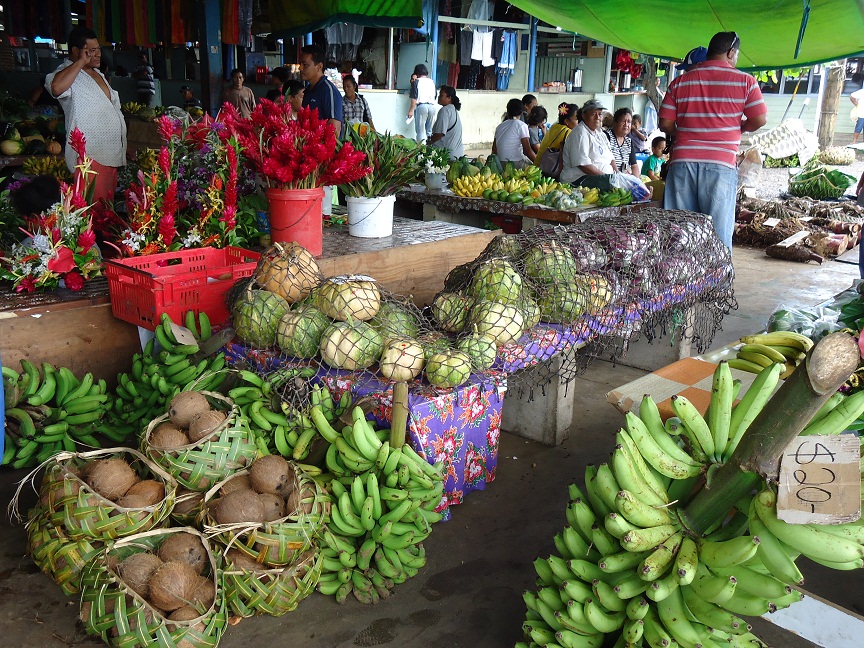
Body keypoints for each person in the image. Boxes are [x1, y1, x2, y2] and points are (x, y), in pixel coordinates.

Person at [659, 32, 767, 249]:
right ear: (731, 52)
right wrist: (741, 127)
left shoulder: (680, 82)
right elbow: (759, 119)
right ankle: (716, 282)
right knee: (717, 235)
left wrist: (685, 134)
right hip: (720, 164)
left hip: (682, 163)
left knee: (679, 232)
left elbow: (665, 123)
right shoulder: (745, 81)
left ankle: (678, 281)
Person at [46, 26, 126, 204]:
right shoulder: (65, 74)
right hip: (91, 156)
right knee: (93, 211)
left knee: (107, 211)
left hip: (111, 154)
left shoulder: (98, 74)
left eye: (98, 49)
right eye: (91, 51)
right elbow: (56, 88)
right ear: (76, 51)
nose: (97, 54)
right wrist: (81, 62)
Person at [559, 99, 617, 189]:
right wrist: (606, 178)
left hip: (601, 176)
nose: (597, 117)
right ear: (584, 115)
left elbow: (611, 159)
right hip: (578, 179)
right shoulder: (580, 133)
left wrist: (618, 176)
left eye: (600, 114)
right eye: (593, 114)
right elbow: (583, 164)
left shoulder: (600, 133)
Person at [299, 44, 342, 135]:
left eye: (305, 65)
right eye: (300, 64)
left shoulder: (329, 91)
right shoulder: (308, 91)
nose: (300, 68)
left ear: (319, 66)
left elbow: (335, 129)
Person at [493, 98, 535, 168]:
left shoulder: (500, 126)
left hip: (500, 162)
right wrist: (539, 164)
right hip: (515, 163)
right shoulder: (521, 125)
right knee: (536, 171)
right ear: (522, 112)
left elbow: (494, 150)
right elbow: (528, 151)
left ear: (507, 111)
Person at [535, 103, 578, 169]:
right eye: (576, 119)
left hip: (538, 165)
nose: (579, 122)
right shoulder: (567, 132)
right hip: (547, 169)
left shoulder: (555, 126)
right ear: (567, 121)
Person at [430, 85, 463, 160]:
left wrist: (430, 142)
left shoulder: (445, 110)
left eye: (441, 95)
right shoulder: (453, 109)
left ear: (449, 98)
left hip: (447, 155)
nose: (439, 97)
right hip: (457, 154)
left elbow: (440, 133)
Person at [407, 64, 436, 144]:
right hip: (432, 107)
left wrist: (411, 110)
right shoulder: (432, 82)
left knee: (420, 131)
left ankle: (421, 150)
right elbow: (435, 95)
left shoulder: (416, 82)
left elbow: (414, 97)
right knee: (429, 131)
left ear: (416, 73)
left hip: (422, 107)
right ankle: (429, 149)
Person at [605, 108, 639, 175]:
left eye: (629, 122)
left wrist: (637, 182)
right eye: (623, 121)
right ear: (615, 122)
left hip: (624, 177)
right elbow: (608, 161)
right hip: (610, 177)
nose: (626, 124)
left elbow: (634, 165)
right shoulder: (606, 136)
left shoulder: (628, 141)